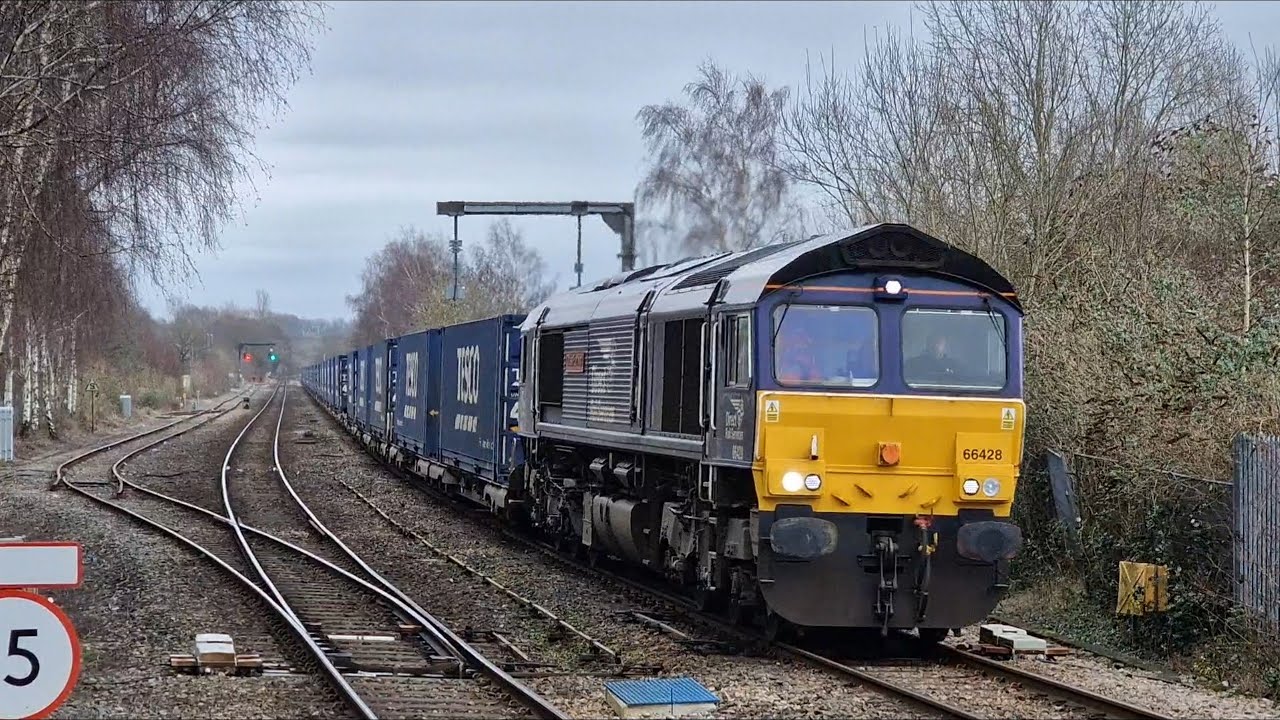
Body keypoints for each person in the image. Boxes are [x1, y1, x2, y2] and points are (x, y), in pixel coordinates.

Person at [776, 314, 824, 384]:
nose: (807, 340)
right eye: (799, 335)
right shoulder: (781, 350)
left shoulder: (812, 355)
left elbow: (817, 380)